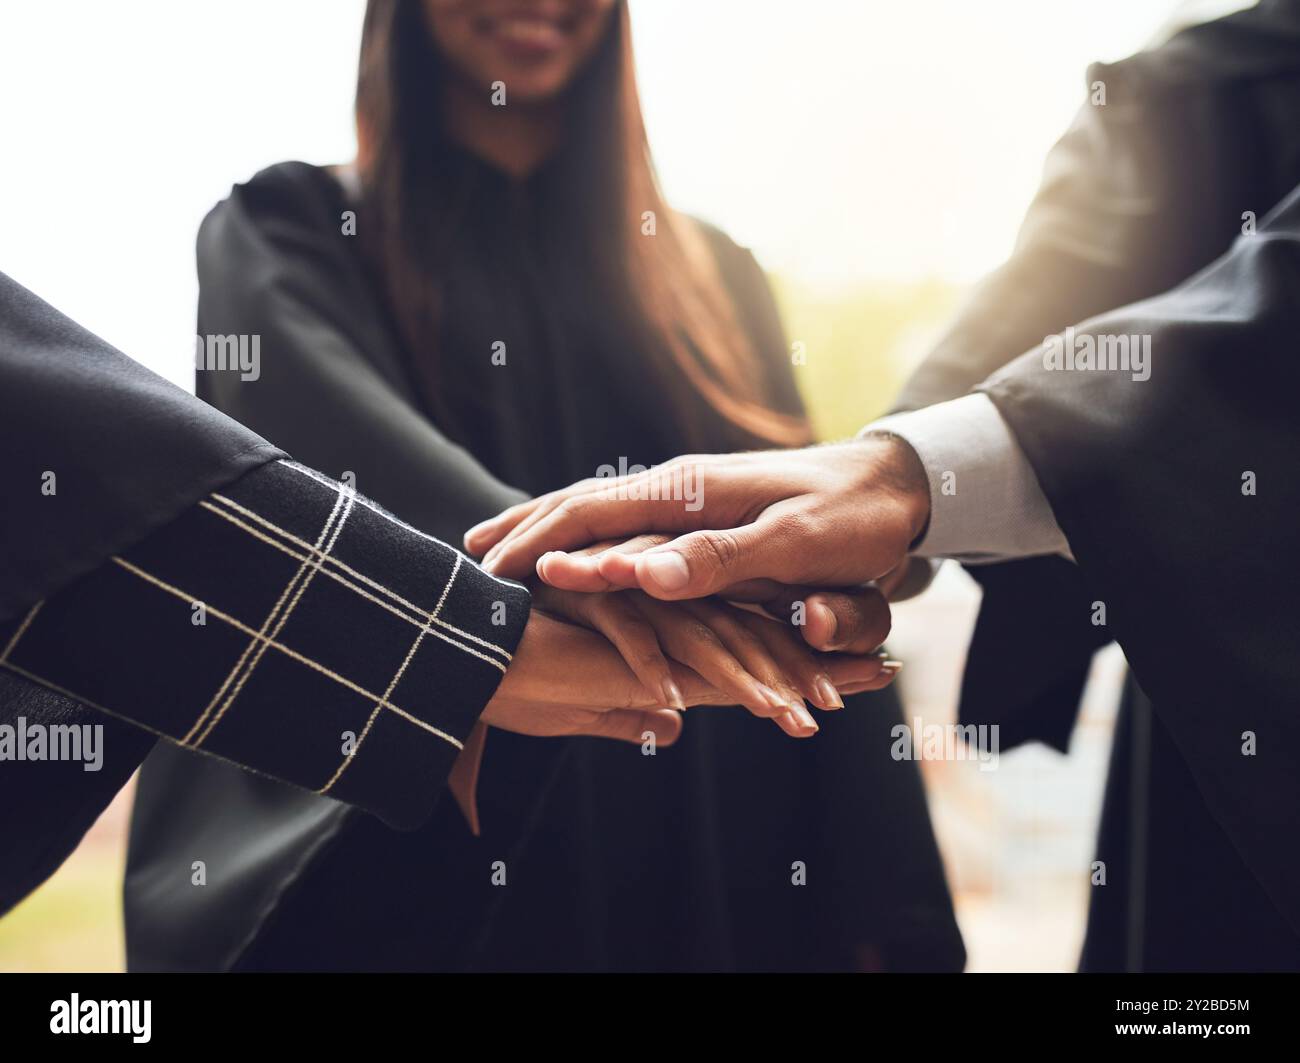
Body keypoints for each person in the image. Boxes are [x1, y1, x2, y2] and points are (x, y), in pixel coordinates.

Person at [123, 0, 965, 972]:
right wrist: (590, 580)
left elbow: (801, 558)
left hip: (710, 830)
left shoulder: (715, 278)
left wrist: (885, 907)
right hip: (452, 849)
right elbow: (339, 472)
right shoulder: (292, 231)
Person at [473, 1, 1300, 971]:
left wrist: (898, 502)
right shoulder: (1202, 86)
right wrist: (876, 511)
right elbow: (1021, 327)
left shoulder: (706, 271)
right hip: (566, 723)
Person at [0, 267, 782, 915]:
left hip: (694, 768)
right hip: (410, 842)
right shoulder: (284, 230)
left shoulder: (713, 273)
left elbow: (789, 541)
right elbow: (67, 457)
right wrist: (495, 616)